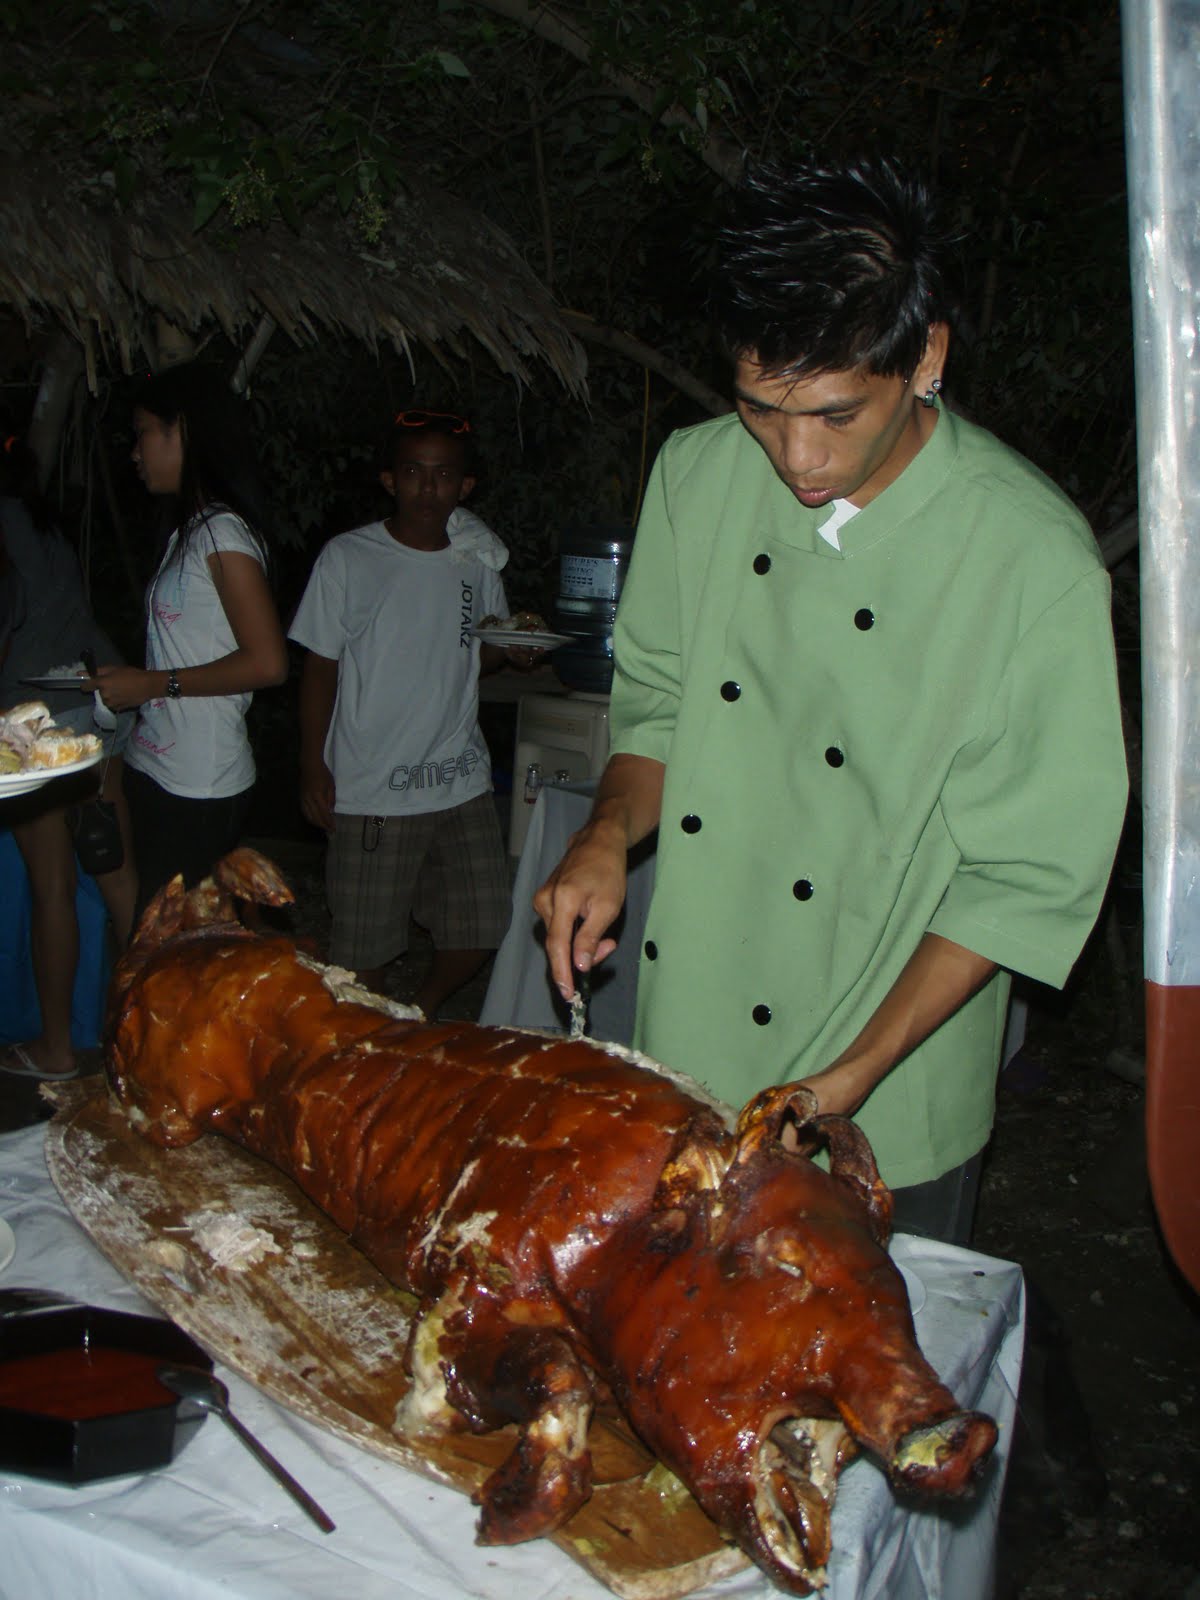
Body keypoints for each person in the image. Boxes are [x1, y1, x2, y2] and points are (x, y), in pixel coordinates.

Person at [535, 155, 1129, 1246]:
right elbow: (658, 704)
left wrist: (849, 1076)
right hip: (691, 1037)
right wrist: (607, 832)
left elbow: (1023, 881)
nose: (796, 457)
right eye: (762, 410)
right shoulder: (698, 478)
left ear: (926, 356)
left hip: (889, 1085)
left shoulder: (1033, 560)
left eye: (836, 414)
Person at [289, 409, 534, 1019]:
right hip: (374, 785)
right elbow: (319, 665)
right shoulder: (349, 558)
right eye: (414, 472)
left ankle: (417, 1012)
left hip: (458, 776)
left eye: (444, 475)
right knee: (363, 951)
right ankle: (362, 1043)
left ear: (464, 486)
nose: (428, 488)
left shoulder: (476, 561)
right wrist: (312, 764)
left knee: (485, 922)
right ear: (389, 480)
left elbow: (480, 652)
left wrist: (515, 650)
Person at [90, 363, 289, 918]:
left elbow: (268, 662)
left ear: (182, 430)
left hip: (199, 785)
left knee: (178, 951)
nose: (135, 452)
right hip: (161, 769)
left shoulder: (223, 533)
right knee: (159, 937)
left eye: (143, 433)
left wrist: (152, 684)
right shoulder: (192, 530)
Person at [0, 429, 138, 1081]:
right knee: (119, 876)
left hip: (35, 720)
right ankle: (155, 1035)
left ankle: (57, 1049)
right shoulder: (40, 521)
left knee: (52, 886)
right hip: (97, 696)